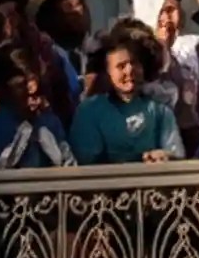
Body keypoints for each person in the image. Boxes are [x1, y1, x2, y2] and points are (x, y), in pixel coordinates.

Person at [71, 32, 185, 164]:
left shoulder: (160, 111)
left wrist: (165, 156)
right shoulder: (89, 112)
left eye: (134, 63)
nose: (129, 70)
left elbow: (176, 153)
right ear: (108, 73)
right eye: (121, 66)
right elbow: (86, 161)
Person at [131, 0, 199, 155]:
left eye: (175, 11)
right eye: (165, 10)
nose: (171, 19)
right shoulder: (132, 62)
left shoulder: (181, 67)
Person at [0, 43, 74, 170]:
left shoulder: (50, 123)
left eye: (35, 80)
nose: (32, 90)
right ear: (1, 89)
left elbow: (68, 166)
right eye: (21, 85)